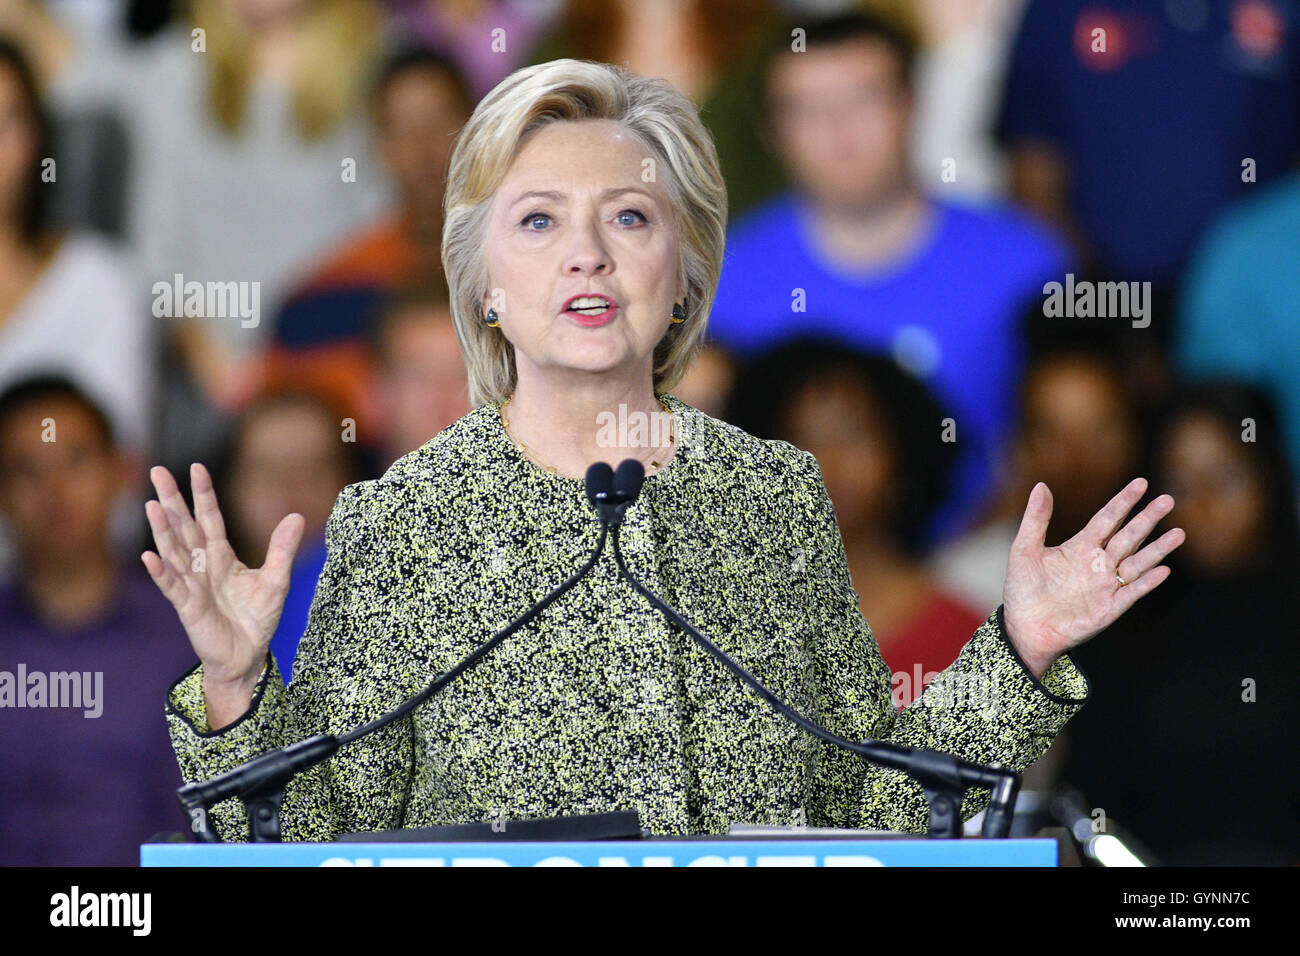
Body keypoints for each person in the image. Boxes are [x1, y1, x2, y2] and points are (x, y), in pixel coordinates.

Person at [144, 58, 1182, 842]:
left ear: (684, 274)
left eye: (630, 217)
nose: (588, 254)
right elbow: (317, 844)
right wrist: (235, 684)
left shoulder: (774, 497)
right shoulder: (400, 522)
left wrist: (1017, 651)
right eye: (539, 221)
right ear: (484, 286)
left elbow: (871, 809)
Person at [708, 11, 1071, 546]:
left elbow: (1073, 453)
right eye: (808, 110)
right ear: (771, 130)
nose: (840, 132)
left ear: (912, 104)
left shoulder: (1029, 266)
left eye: (864, 99)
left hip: (996, 561)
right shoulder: (722, 283)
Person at [1060, 382, 1300, 864]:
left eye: (1228, 477)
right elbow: (1087, 810)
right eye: (1183, 484)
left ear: (1270, 477)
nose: (1207, 505)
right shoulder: (1114, 628)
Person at [726, 337, 986, 709]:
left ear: (902, 454)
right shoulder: (725, 627)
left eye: (853, 434)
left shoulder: (967, 637)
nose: (829, 462)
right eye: (801, 438)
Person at [0, 376, 196, 865]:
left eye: (77, 460)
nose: (55, 491)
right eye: (26, 470)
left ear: (122, 470)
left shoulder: (188, 635)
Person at [209, 390, 366, 684]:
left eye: (314, 469)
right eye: (266, 469)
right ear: (231, 486)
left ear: (349, 480)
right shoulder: (195, 601)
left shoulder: (377, 594)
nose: (290, 486)